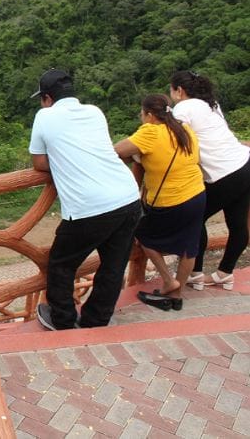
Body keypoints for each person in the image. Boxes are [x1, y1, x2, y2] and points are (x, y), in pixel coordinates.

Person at [29, 69, 141, 331]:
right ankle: (96, 320)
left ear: (47, 97)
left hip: (88, 206)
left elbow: (39, 162)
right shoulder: (94, 111)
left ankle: (63, 321)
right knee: (113, 265)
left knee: (61, 264)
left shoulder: (44, 116)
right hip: (128, 197)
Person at [115, 94, 206, 310]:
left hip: (171, 199)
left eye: (142, 113)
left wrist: (138, 156)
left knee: (143, 233)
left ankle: (169, 280)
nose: (141, 116)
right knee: (189, 247)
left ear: (149, 114)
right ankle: (176, 295)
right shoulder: (184, 128)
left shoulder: (150, 131)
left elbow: (116, 150)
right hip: (197, 193)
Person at [170, 71, 250, 291]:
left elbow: (172, 136)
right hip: (244, 163)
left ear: (179, 90)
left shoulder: (183, 107)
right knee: (237, 222)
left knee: (194, 218)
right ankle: (225, 273)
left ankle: (195, 273)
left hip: (224, 173)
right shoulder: (210, 104)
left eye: (172, 90)